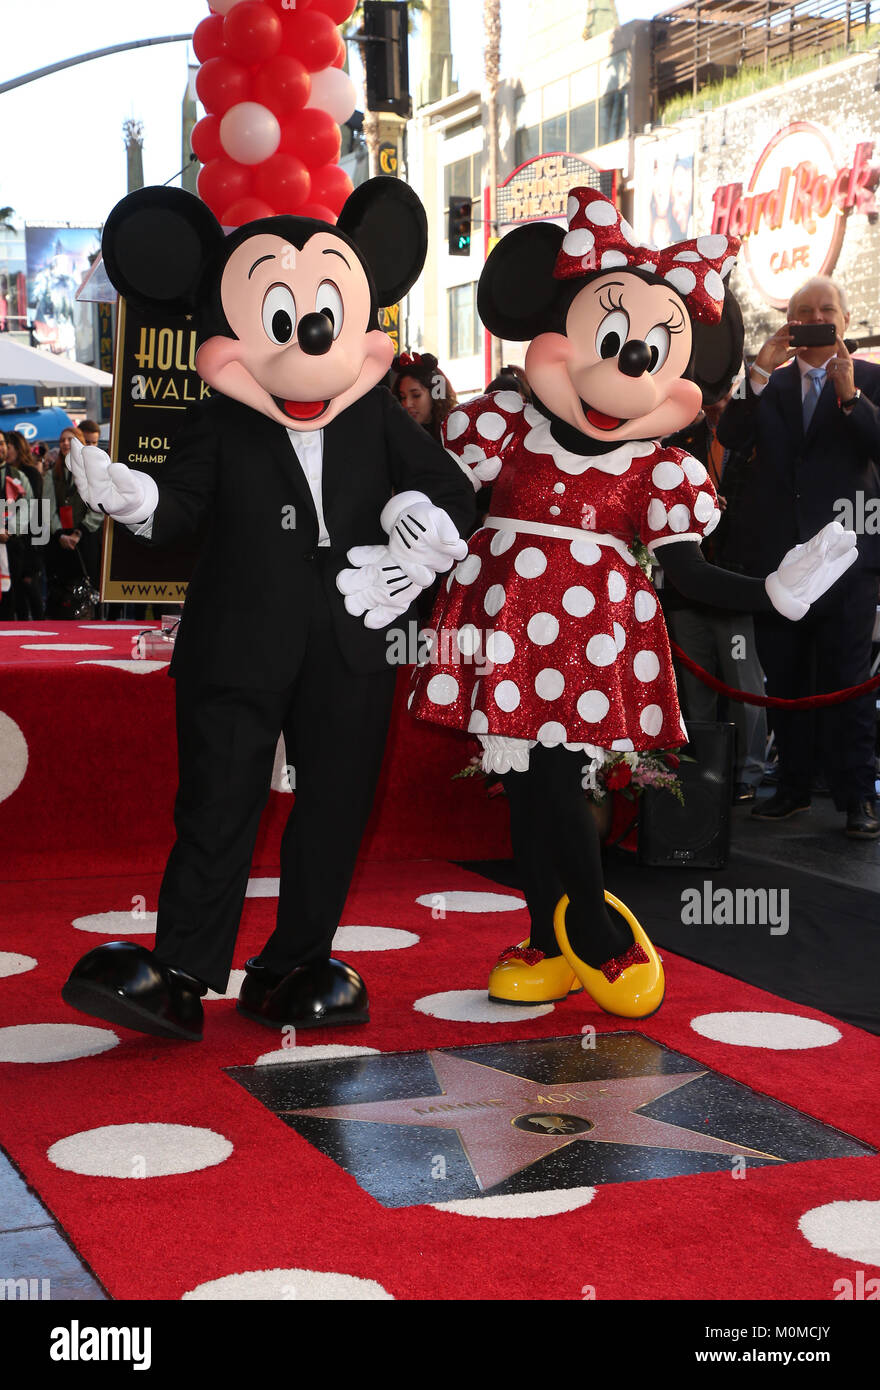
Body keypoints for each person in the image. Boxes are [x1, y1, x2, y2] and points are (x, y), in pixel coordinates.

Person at [410, 187, 857, 1019]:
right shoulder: (506, 424)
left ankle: (594, 929)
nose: (626, 367)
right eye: (611, 341)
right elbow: (439, 491)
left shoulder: (659, 470)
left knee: (549, 778)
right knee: (529, 785)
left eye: (653, 353)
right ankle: (549, 939)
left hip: (587, 650)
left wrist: (768, 592)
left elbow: (686, 571)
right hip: (505, 637)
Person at [61, 180, 475, 1044]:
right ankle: (180, 971)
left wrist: (425, 531)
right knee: (218, 802)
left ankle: (296, 959)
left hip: (355, 640)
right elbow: (178, 510)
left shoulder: (374, 417)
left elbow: (448, 489)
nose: (308, 336)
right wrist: (133, 498)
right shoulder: (217, 421)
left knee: (335, 804)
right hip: (238, 641)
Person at [717, 276, 880, 839]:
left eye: (825, 309)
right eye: (803, 310)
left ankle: (857, 797)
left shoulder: (873, 379)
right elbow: (732, 432)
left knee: (846, 679)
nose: (814, 318)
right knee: (784, 678)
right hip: (779, 560)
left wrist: (851, 397)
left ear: (845, 319)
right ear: (789, 321)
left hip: (847, 560)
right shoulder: (770, 384)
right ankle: (791, 789)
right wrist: (756, 371)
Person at [661, 396, 768, 802]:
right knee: (694, 689)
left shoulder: (754, 437)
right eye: (712, 388)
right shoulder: (678, 440)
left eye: (728, 389)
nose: (720, 397)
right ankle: (702, 769)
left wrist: (726, 512)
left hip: (737, 582)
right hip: (686, 589)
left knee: (746, 687)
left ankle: (750, 775)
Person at [391, 351, 458, 443]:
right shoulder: (396, 437)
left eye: (416, 395)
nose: (407, 404)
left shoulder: (456, 434)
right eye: (403, 397)